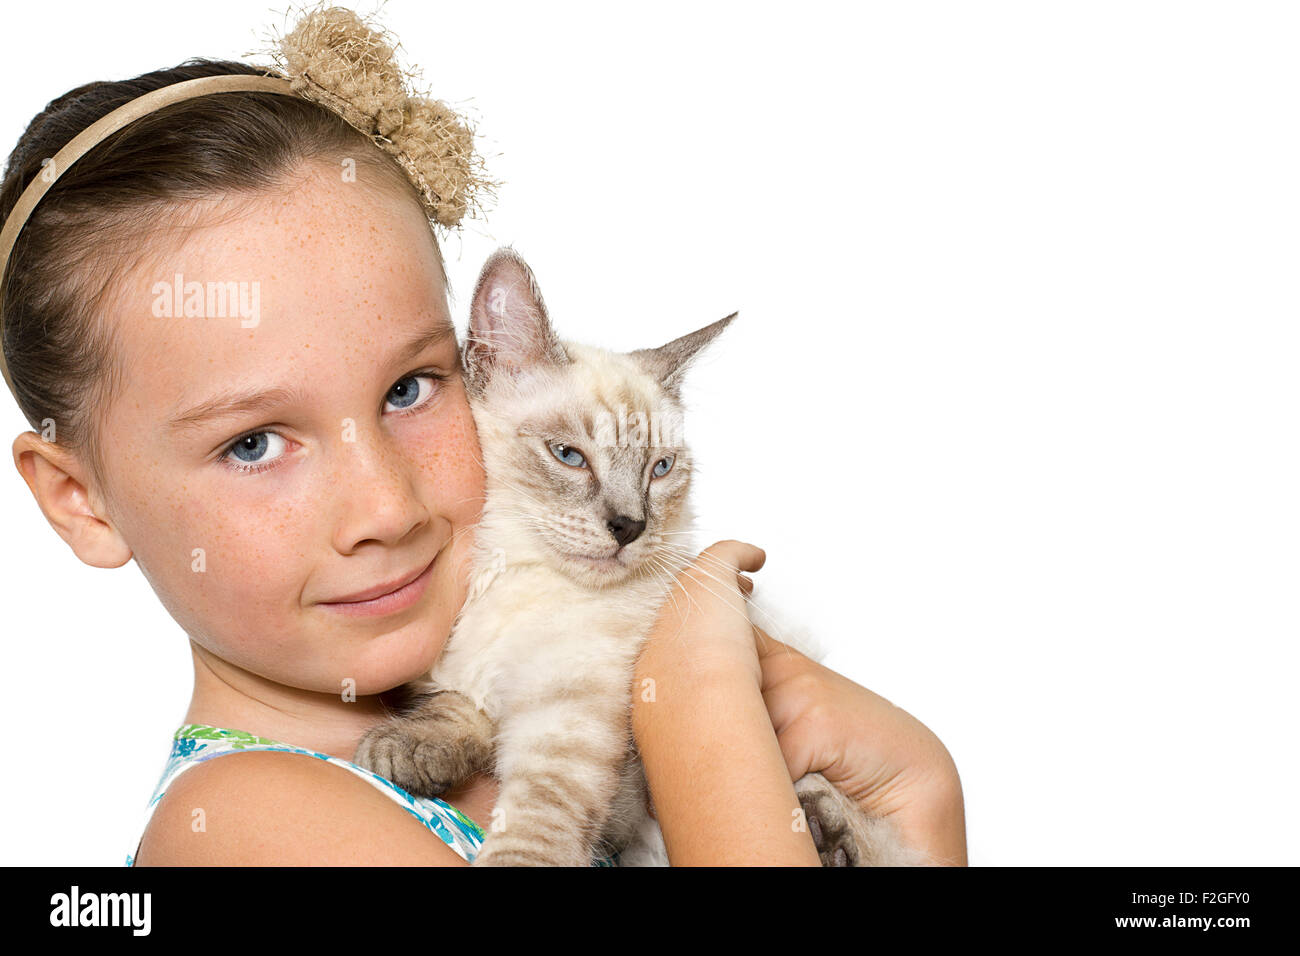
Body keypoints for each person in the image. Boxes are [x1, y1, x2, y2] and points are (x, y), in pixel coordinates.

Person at [1, 12, 965, 868]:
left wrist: (921, 806)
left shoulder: (529, 696)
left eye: (412, 388)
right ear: (77, 499)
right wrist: (703, 706)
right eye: (255, 443)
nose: (387, 507)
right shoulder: (251, 824)